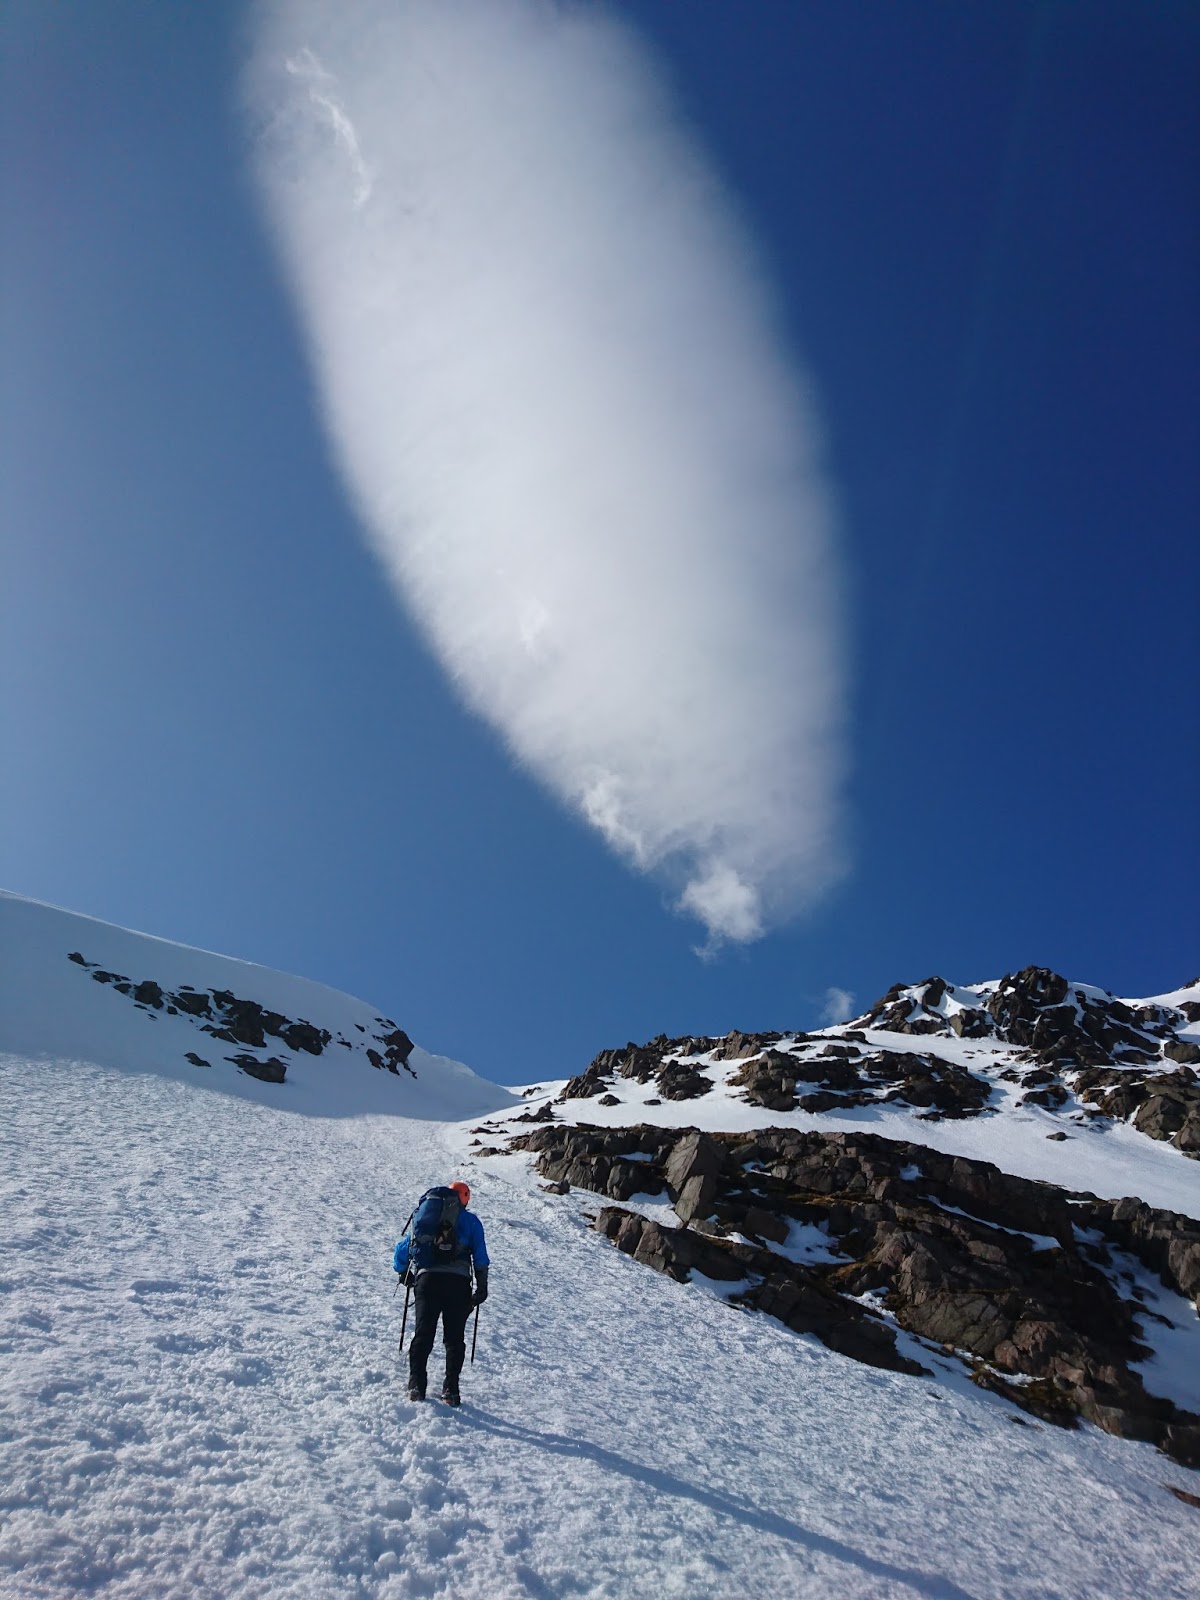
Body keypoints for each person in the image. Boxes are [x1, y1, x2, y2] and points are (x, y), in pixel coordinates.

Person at [394, 1179, 489, 1406]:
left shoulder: (428, 1217)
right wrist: (482, 1286)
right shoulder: (471, 1221)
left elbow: (403, 1249)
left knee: (423, 1332)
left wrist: (404, 1273)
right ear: (464, 1198)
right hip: (458, 1284)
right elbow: (480, 1257)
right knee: (454, 1338)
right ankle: (451, 1390)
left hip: (427, 1281)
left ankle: (416, 1384)